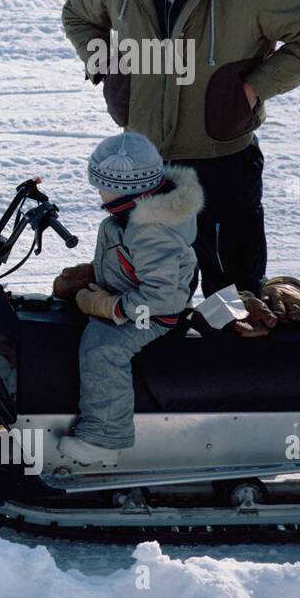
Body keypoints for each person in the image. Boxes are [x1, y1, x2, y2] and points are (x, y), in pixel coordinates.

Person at [62, 0, 300, 296]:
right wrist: (109, 69)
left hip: (221, 159)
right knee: (153, 284)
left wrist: (253, 88)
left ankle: (235, 355)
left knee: (233, 289)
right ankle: (161, 358)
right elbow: (78, 16)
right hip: (145, 161)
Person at [58, 133, 203, 466]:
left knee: (103, 348)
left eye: (102, 186)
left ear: (127, 188)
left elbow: (163, 296)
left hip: (153, 313)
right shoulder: (135, 216)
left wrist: (112, 307)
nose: (98, 193)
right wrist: (94, 275)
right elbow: (131, 260)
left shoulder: (150, 229)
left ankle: (106, 438)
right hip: (137, 294)